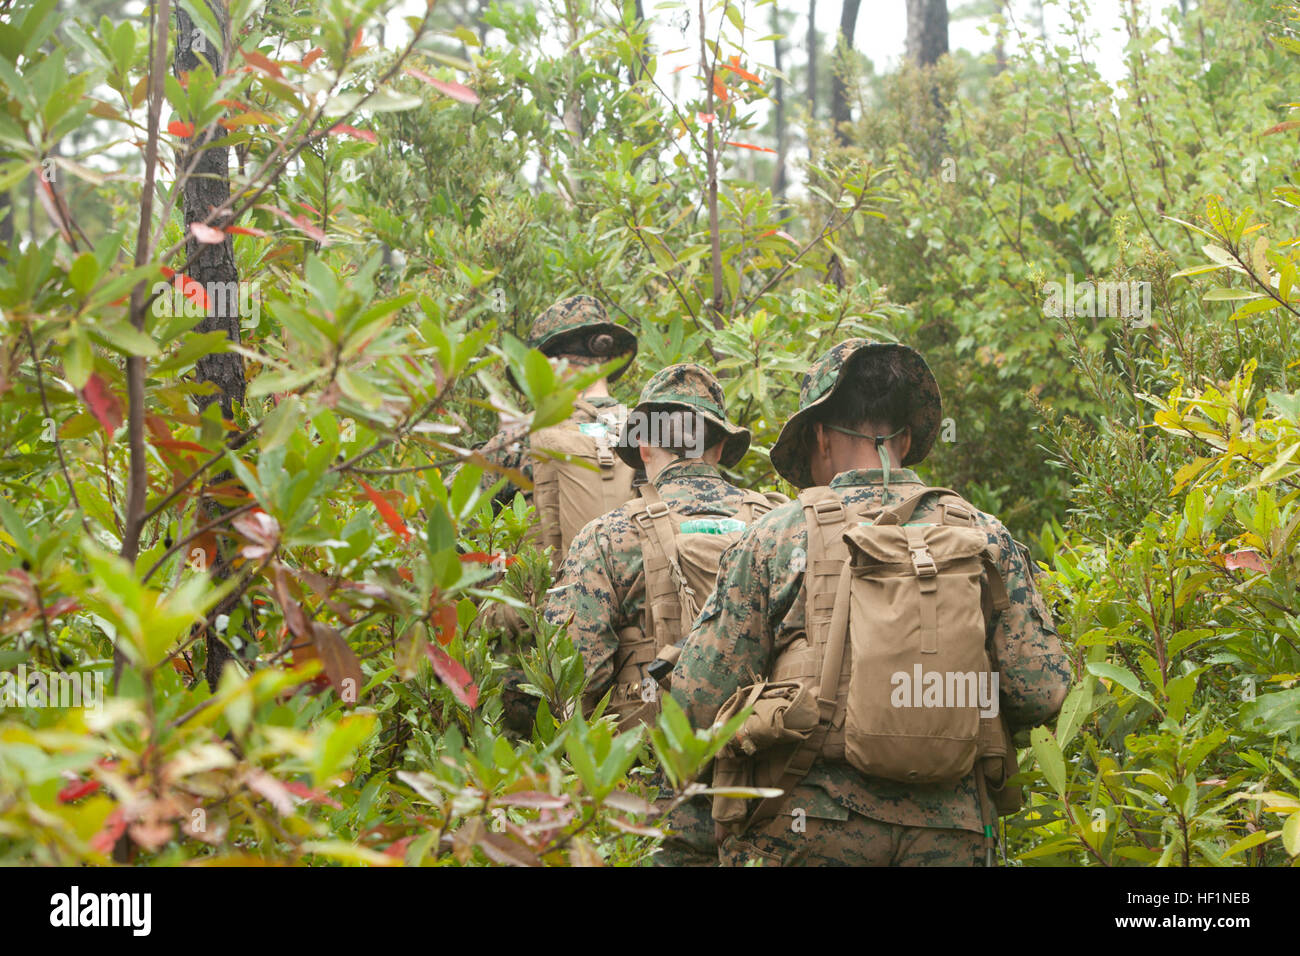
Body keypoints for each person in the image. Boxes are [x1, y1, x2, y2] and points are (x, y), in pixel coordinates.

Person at [669, 338, 1072, 866]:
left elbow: (696, 701)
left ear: (819, 436)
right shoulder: (984, 536)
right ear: (906, 438)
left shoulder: (777, 536)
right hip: (954, 832)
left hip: (804, 824)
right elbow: (1042, 694)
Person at [544, 363, 784, 864]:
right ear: (718, 447)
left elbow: (573, 679)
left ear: (645, 446)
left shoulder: (607, 535)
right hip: (768, 797)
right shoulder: (779, 526)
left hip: (651, 800)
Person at [458, 294, 639, 735]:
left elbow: (452, 543)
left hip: (535, 669)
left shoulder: (518, 441)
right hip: (641, 662)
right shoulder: (651, 433)